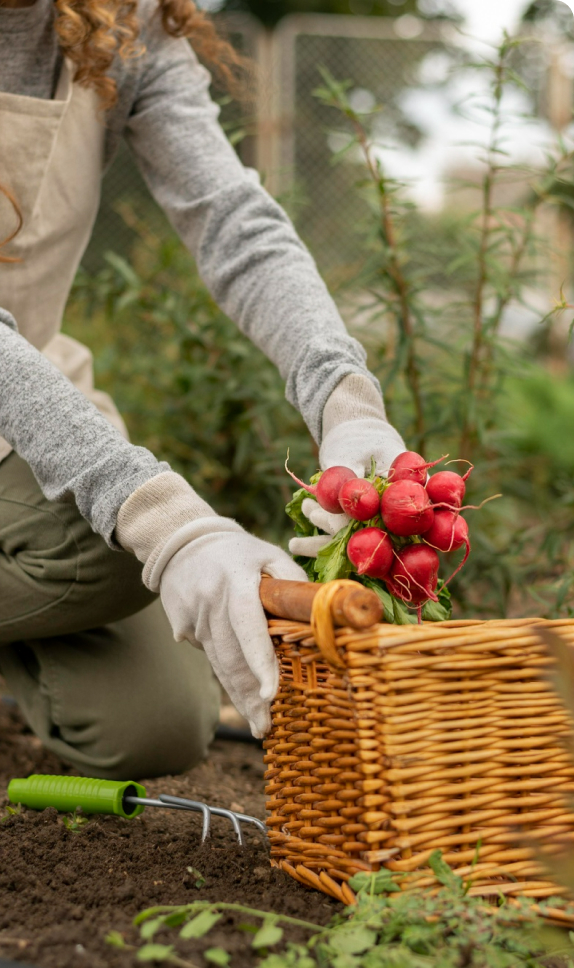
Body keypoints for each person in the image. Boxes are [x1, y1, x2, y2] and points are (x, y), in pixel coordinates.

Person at [0, 0, 405, 780]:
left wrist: (345, 400)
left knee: (154, 729)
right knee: (115, 544)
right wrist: (164, 518)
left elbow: (234, 223)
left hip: (22, 413)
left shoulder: (117, 22)